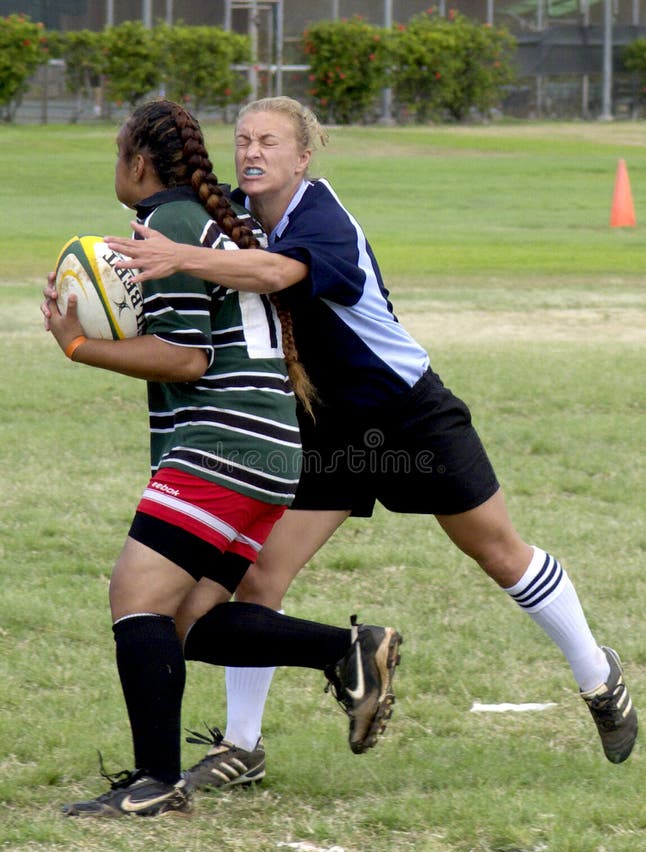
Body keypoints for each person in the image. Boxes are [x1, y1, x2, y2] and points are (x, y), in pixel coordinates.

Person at [103, 96, 637, 790]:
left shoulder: (320, 219)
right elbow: (176, 221)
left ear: (304, 155)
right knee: (261, 575)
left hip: (405, 412)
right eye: (243, 140)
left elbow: (276, 275)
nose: (253, 152)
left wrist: (182, 257)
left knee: (500, 551)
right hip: (322, 427)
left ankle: (599, 678)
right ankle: (242, 746)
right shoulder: (230, 214)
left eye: (270, 141)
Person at [41, 98, 402, 818]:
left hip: (225, 444)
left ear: (138, 162)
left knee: (134, 595)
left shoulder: (172, 225)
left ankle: (156, 783)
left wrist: (80, 345)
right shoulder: (202, 224)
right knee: (190, 621)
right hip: (263, 447)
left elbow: (187, 359)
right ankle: (350, 648)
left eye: (118, 152)